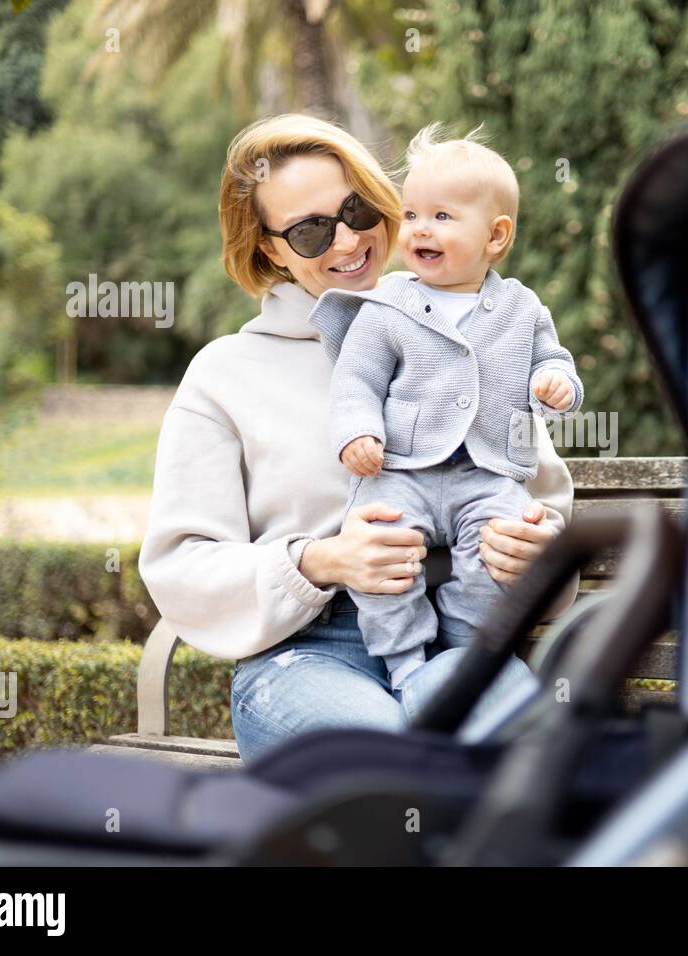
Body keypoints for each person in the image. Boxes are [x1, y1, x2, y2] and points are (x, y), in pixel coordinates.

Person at [138, 114, 578, 764]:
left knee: (530, 763)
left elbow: (541, 504)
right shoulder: (224, 375)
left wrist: (536, 550)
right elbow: (180, 566)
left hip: (456, 643)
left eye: (357, 208)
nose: (348, 240)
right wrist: (319, 561)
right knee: (398, 769)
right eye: (312, 230)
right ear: (270, 250)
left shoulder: (472, 334)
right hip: (305, 657)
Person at [309, 124, 583, 692]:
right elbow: (356, 379)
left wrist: (556, 382)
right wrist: (357, 432)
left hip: (487, 471)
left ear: (496, 236)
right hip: (402, 468)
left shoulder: (521, 308)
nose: (418, 230)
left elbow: (553, 361)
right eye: (410, 215)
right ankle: (405, 657)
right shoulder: (388, 305)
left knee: (498, 551)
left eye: (442, 217)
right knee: (382, 556)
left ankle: (464, 646)